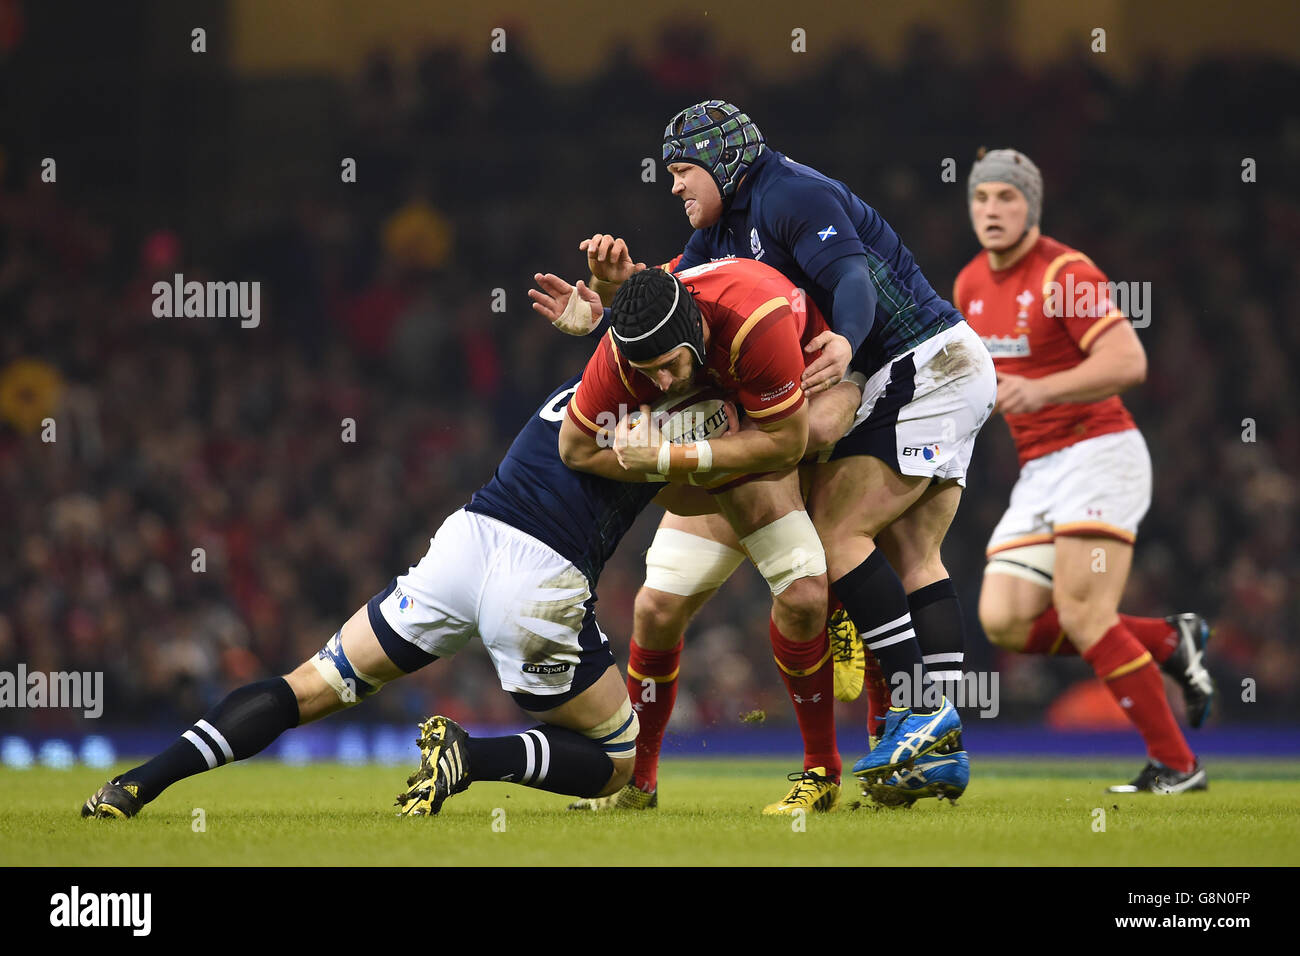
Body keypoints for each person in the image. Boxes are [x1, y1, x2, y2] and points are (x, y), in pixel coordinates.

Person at [568, 101, 994, 808]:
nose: (673, 186)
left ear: (724, 158)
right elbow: (675, 300)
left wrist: (850, 342)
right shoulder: (722, 230)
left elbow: (852, 277)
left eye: (682, 169)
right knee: (911, 552)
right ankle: (936, 747)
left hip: (921, 358)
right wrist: (609, 306)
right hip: (910, 370)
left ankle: (922, 719)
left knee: (837, 536)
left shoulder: (791, 193)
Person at [83, 374, 692, 820]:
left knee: (309, 686)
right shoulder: (681, 405)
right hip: (537, 576)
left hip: (469, 537)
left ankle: (136, 784)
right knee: (617, 756)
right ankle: (467, 758)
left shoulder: (595, 372)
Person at [531, 256, 854, 814]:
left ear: (692, 336)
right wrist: (661, 466)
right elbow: (575, 449)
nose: (656, 381)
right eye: (646, 371)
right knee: (654, 611)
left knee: (804, 599)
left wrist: (667, 454)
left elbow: (785, 443)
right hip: (721, 457)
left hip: (799, 420)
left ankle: (822, 771)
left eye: (665, 366)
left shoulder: (757, 320)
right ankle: (639, 781)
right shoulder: (623, 354)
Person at [954, 147, 1214, 794]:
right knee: (1006, 620)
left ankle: (1178, 766)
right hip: (1040, 470)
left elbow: (1129, 360)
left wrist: (1044, 390)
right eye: (982, 198)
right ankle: (1167, 640)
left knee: (1082, 609)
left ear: (1031, 205)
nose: (992, 210)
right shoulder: (968, 284)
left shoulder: (1065, 272)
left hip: (1101, 452)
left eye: (1006, 198)